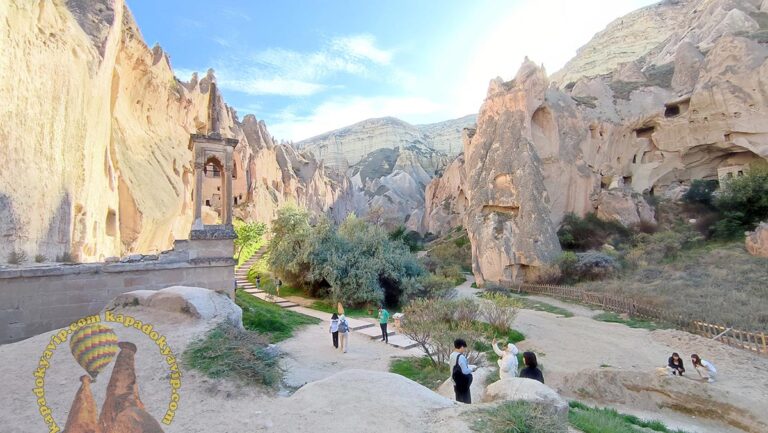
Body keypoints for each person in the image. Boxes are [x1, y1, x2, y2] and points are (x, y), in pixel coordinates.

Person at [449, 339, 474, 404]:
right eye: (464, 348)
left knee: (459, 400)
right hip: (462, 383)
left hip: (455, 382)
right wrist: (472, 370)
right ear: (462, 347)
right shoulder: (461, 357)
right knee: (466, 401)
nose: (464, 350)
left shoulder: (452, 355)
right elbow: (465, 371)